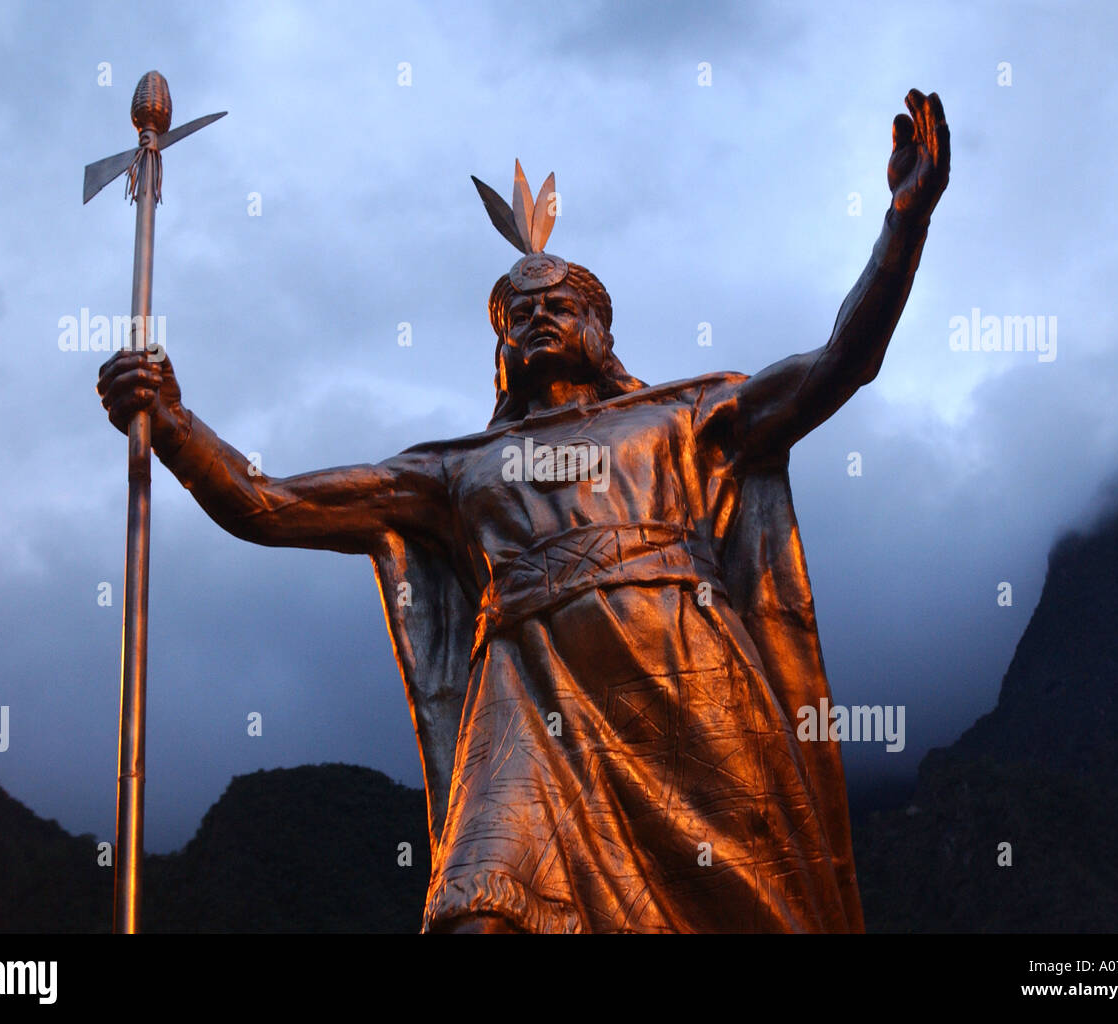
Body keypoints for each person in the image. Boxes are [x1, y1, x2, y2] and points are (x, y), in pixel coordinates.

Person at [98, 89, 949, 933]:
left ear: (600, 331)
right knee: (482, 907)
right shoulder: (453, 470)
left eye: (559, 307)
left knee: (751, 904)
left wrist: (903, 224)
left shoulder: (686, 418)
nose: (539, 321)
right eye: (520, 317)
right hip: (526, 693)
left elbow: (844, 360)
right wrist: (173, 424)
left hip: (681, 678)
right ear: (502, 350)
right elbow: (267, 504)